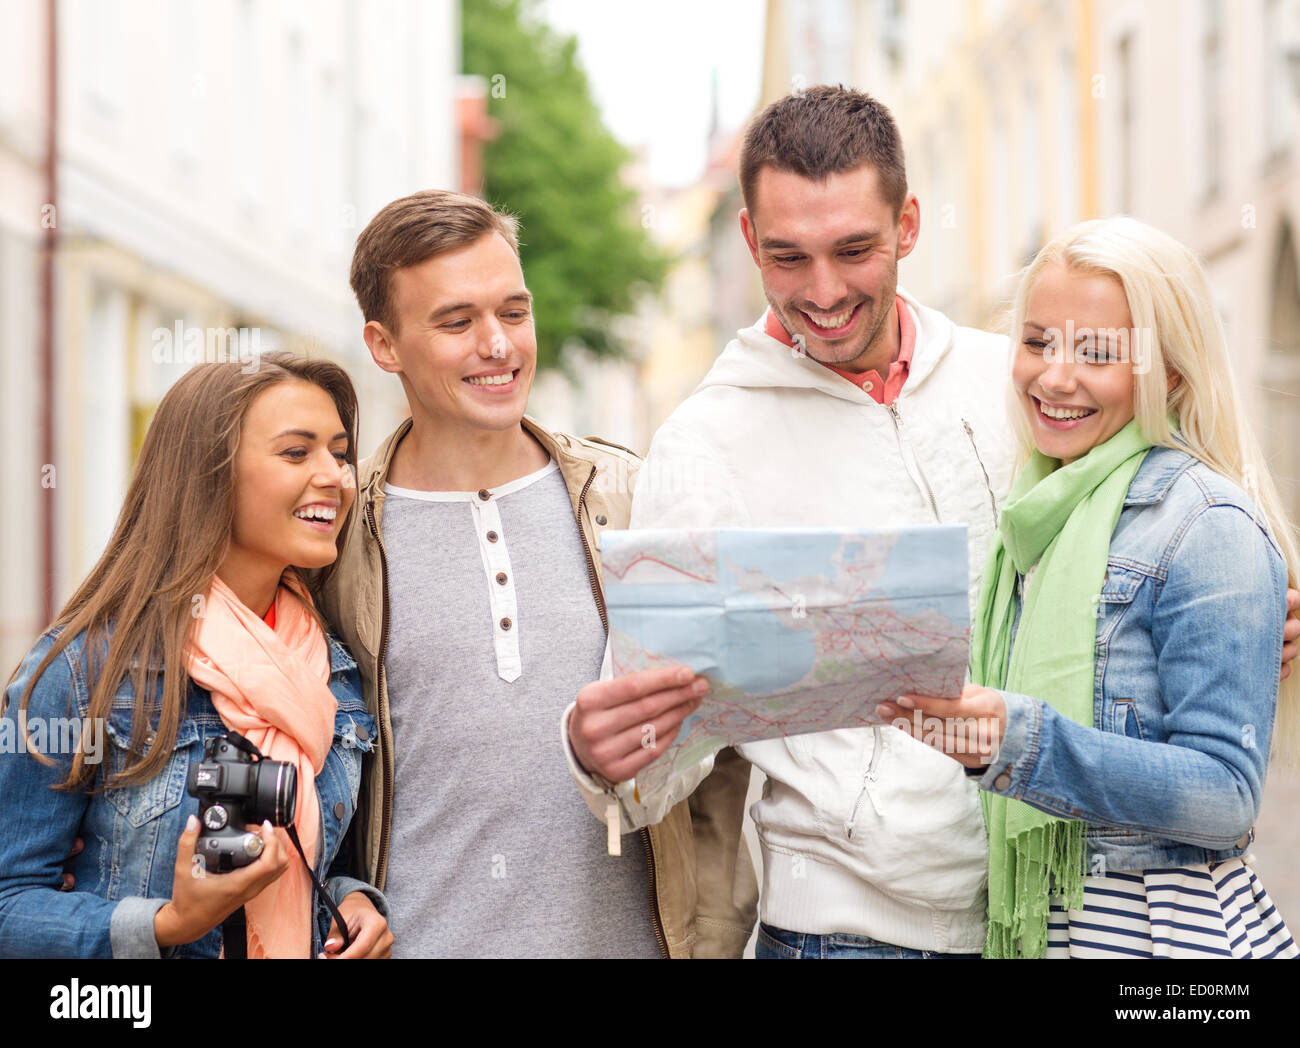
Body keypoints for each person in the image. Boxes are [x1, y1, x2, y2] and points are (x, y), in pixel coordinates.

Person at [565, 85, 1300, 959]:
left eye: (855, 249)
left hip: (1045, 918)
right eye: (789, 256)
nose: (825, 291)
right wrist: (601, 755)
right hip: (848, 934)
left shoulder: (1019, 382)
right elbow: (660, 762)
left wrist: (1238, 621)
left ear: (909, 224)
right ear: (749, 240)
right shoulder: (704, 444)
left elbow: (1132, 558)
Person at [315, 189, 754, 958]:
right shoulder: (337, 543)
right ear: (383, 345)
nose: (498, 345)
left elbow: (719, 747)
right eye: (457, 322)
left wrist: (713, 935)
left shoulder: (630, 498)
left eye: (513, 312)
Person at [879, 217, 1299, 959]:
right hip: (1055, 930)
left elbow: (1226, 794)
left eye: (1097, 353)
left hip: (1164, 938)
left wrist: (1020, 740)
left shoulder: (1207, 523)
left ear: (1169, 372)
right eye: (1038, 341)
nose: (1054, 376)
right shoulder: (1036, 517)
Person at [0, 353, 392, 959]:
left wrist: (352, 899)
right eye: (297, 453)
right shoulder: (85, 672)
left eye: (339, 453)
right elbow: (10, 904)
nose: (337, 476)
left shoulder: (332, 672)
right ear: (208, 476)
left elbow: (311, 857)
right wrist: (169, 923)